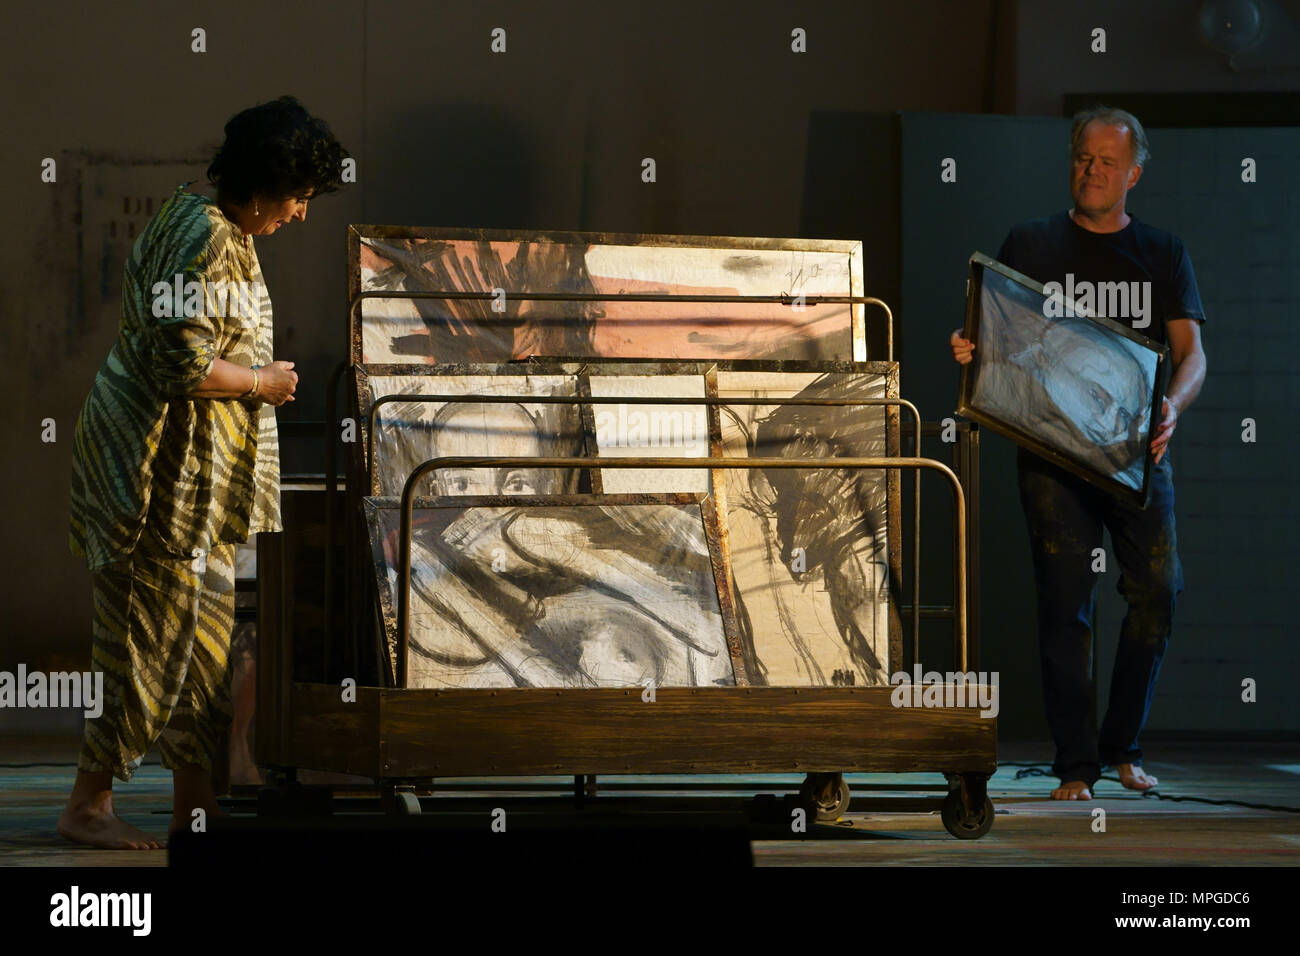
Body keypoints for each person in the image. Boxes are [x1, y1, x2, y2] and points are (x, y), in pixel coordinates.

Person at [62, 96, 346, 848]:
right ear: (264, 184)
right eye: (298, 198)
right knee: (146, 638)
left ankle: (196, 802)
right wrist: (264, 384)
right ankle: (87, 805)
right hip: (157, 481)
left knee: (208, 641)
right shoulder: (203, 237)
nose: (300, 214)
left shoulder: (208, 221)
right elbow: (178, 362)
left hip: (200, 485)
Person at [950, 106, 1207, 800]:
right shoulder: (1030, 243)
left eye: (1107, 162)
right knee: (1067, 606)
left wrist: (1172, 406)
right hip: (1052, 455)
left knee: (1158, 592)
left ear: (1134, 174)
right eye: (1082, 158)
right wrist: (974, 352)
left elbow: (1193, 356)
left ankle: (1121, 747)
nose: (1092, 171)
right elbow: (996, 339)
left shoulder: (1163, 252)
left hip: (1135, 454)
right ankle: (1076, 766)